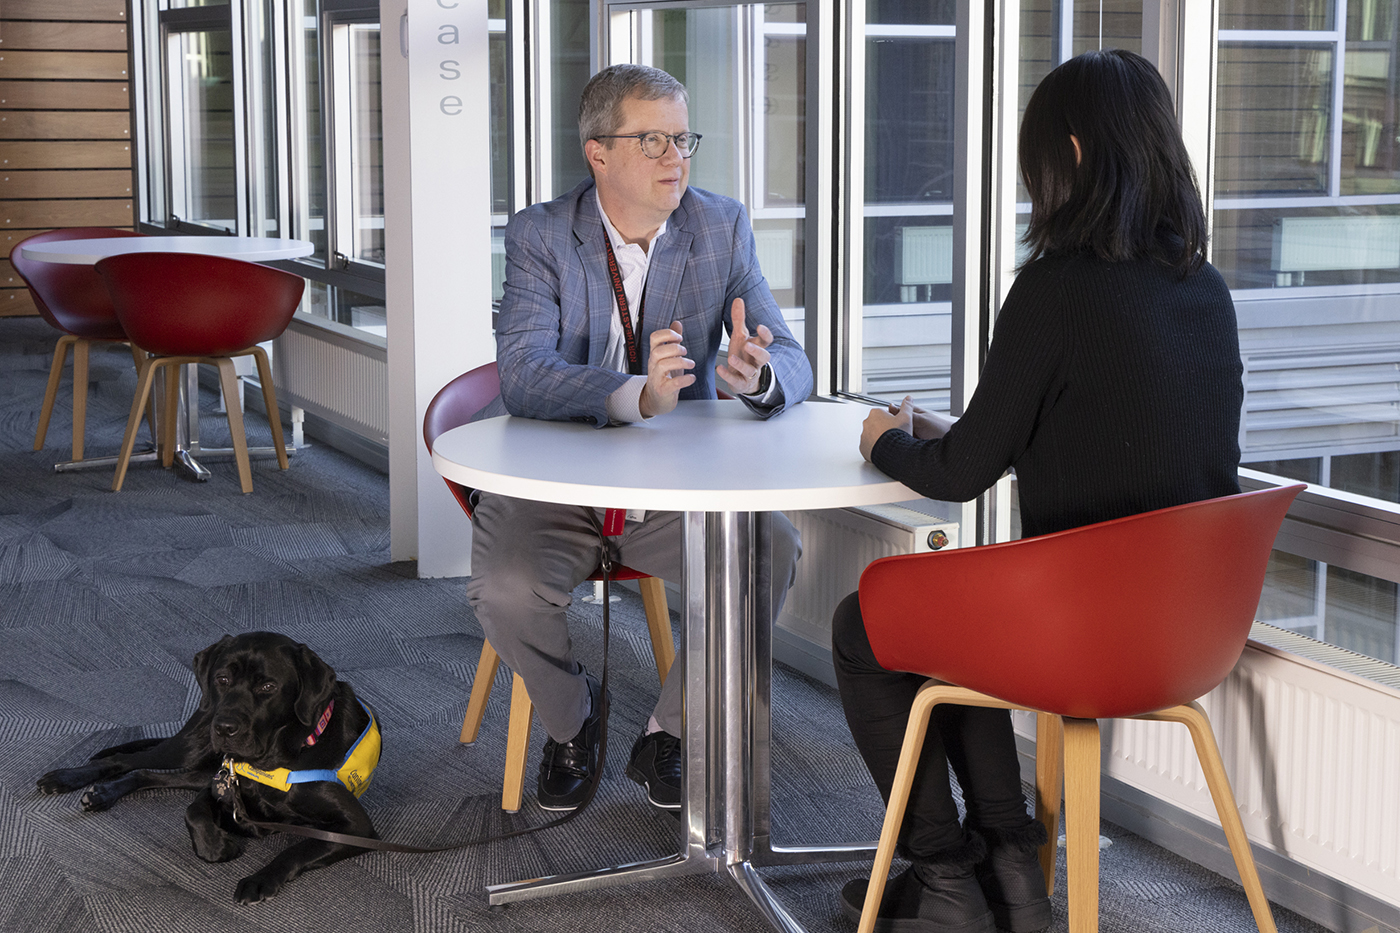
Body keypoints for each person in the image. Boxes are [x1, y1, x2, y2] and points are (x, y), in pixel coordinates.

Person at [834, 49, 1244, 933]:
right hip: (1189, 635)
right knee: (955, 615)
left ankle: (945, 878)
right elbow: (1108, 437)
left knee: (866, 625)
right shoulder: (1205, 289)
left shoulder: (1055, 290)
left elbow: (957, 478)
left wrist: (885, 440)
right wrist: (966, 435)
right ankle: (1013, 875)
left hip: (1075, 633)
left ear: (1072, 154)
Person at [465, 64, 814, 813]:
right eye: (651, 139)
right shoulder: (541, 234)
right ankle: (572, 719)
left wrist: (755, 376)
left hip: (670, 492)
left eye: (682, 138)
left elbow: (790, 354)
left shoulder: (719, 225)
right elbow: (523, 372)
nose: (675, 157)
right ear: (598, 153)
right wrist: (636, 396)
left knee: (770, 547)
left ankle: (671, 732)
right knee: (504, 588)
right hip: (552, 489)